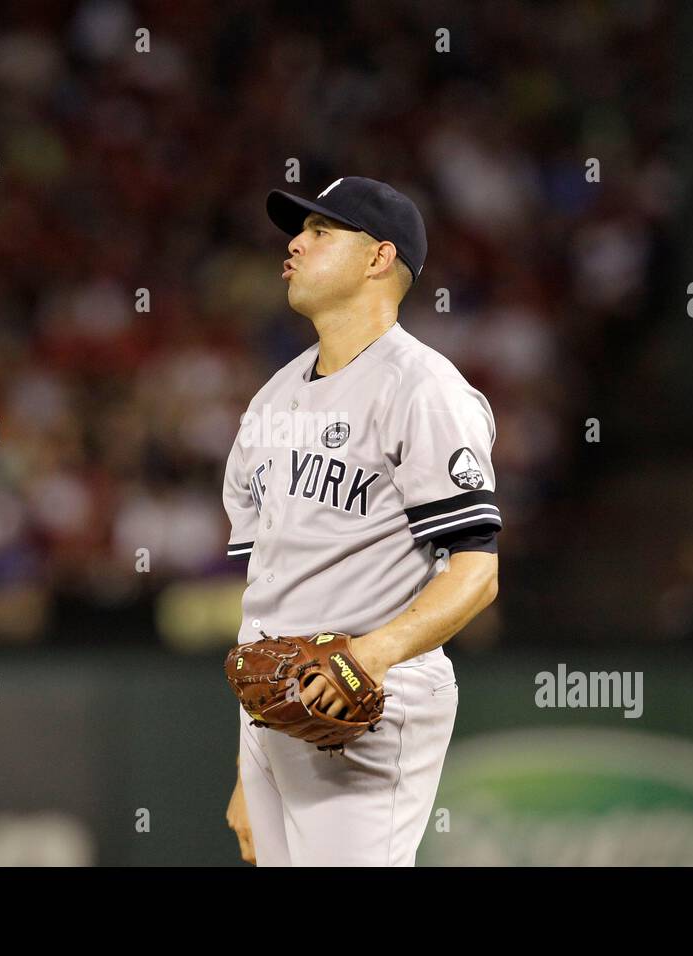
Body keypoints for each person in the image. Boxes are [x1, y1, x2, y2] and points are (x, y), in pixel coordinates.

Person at [222, 176, 502, 866]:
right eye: (300, 230)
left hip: (370, 694)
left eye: (321, 232)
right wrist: (248, 760)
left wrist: (365, 658)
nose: (296, 243)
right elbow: (269, 587)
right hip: (279, 696)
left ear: (379, 258)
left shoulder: (424, 389)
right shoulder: (272, 395)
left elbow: (477, 573)